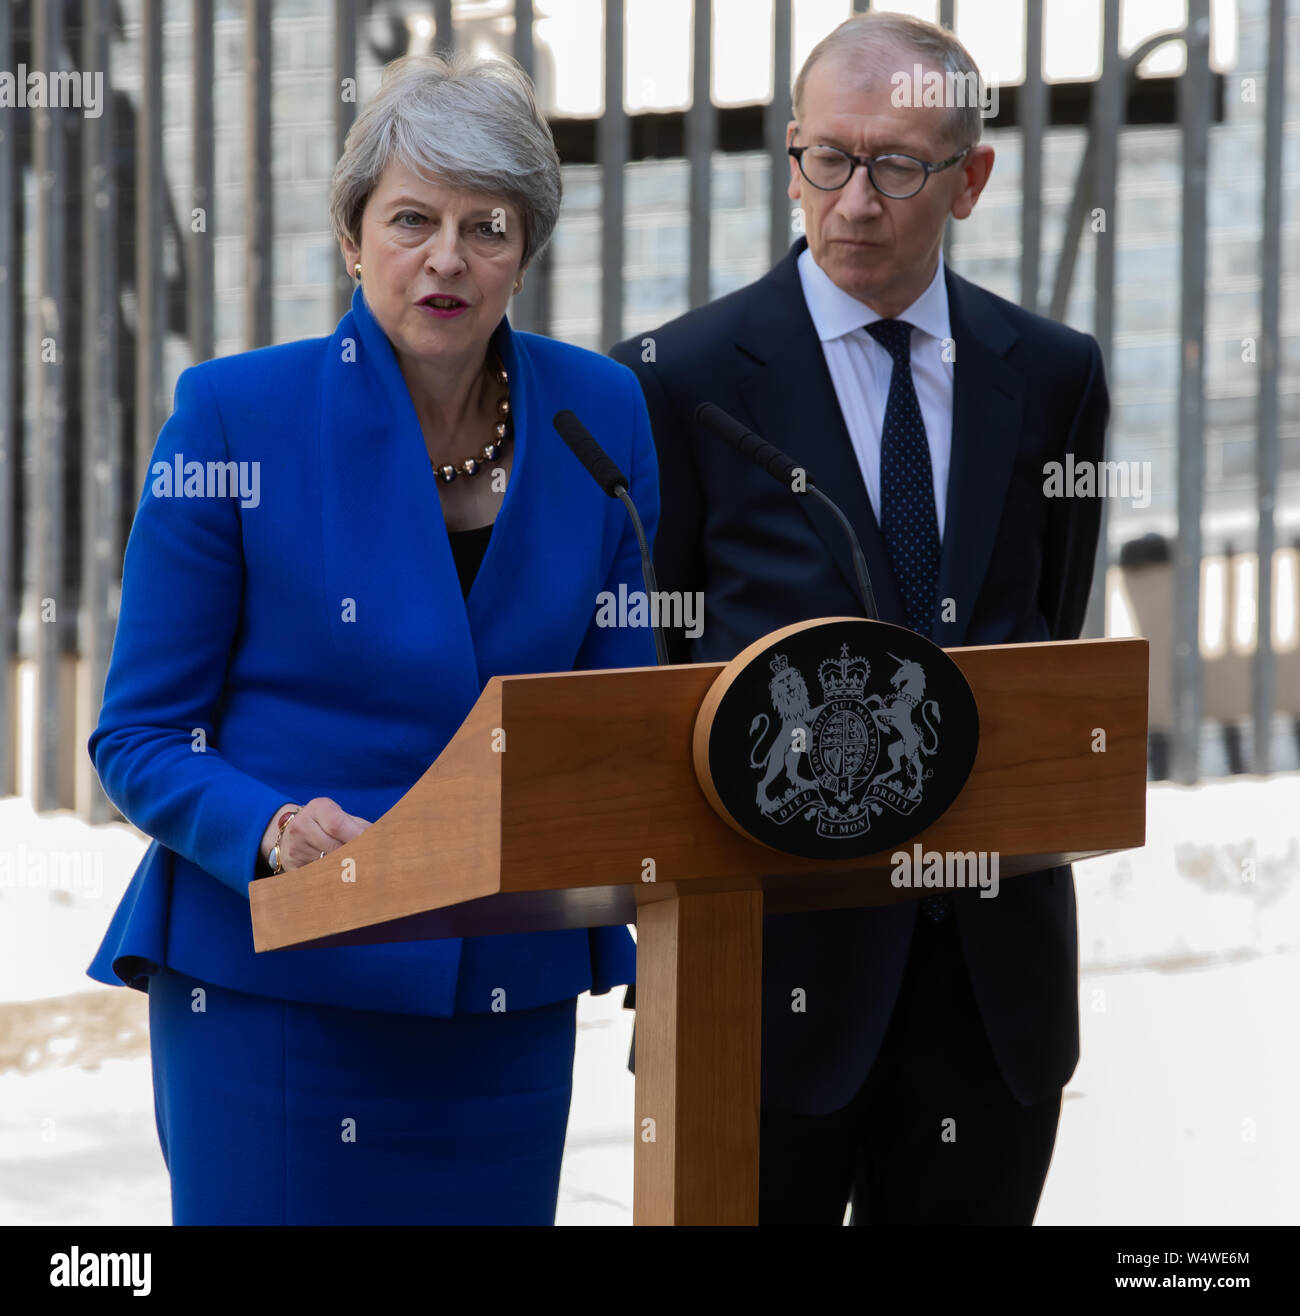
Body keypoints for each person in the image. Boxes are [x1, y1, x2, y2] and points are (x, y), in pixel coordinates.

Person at [87, 50, 659, 1226]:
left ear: (524, 250)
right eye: (410, 219)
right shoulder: (235, 414)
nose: (445, 257)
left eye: (484, 226)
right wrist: (276, 827)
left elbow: (620, 712)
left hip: (505, 991)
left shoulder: (598, 410)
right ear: (353, 239)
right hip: (283, 985)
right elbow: (141, 732)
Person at [611, 11, 1107, 1225]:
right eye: (824, 159)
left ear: (971, 178)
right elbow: (658, 656)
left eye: (896, 164)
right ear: (789, 159)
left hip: (988, 980)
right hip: (762, 965)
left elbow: (1049, 620)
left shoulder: (1050, 373)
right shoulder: (678, 377)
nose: (854, 199)